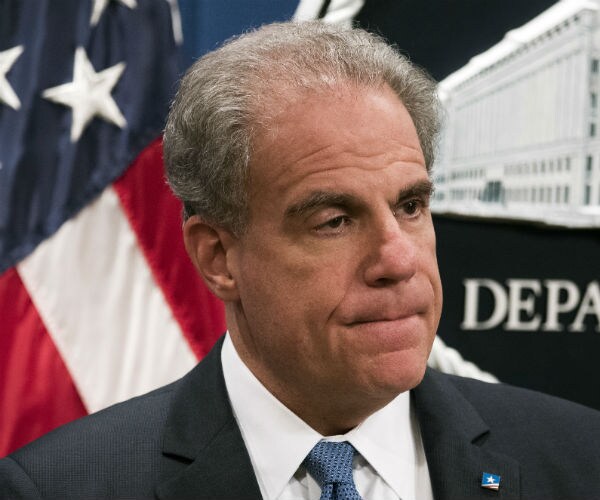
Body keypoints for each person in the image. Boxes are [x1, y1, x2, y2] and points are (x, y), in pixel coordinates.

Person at [1, 20, 599, 500]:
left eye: (411, 206)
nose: (398, 259)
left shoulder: (580, 460)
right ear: (218, 257)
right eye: (334, 220)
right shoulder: (62, 487)